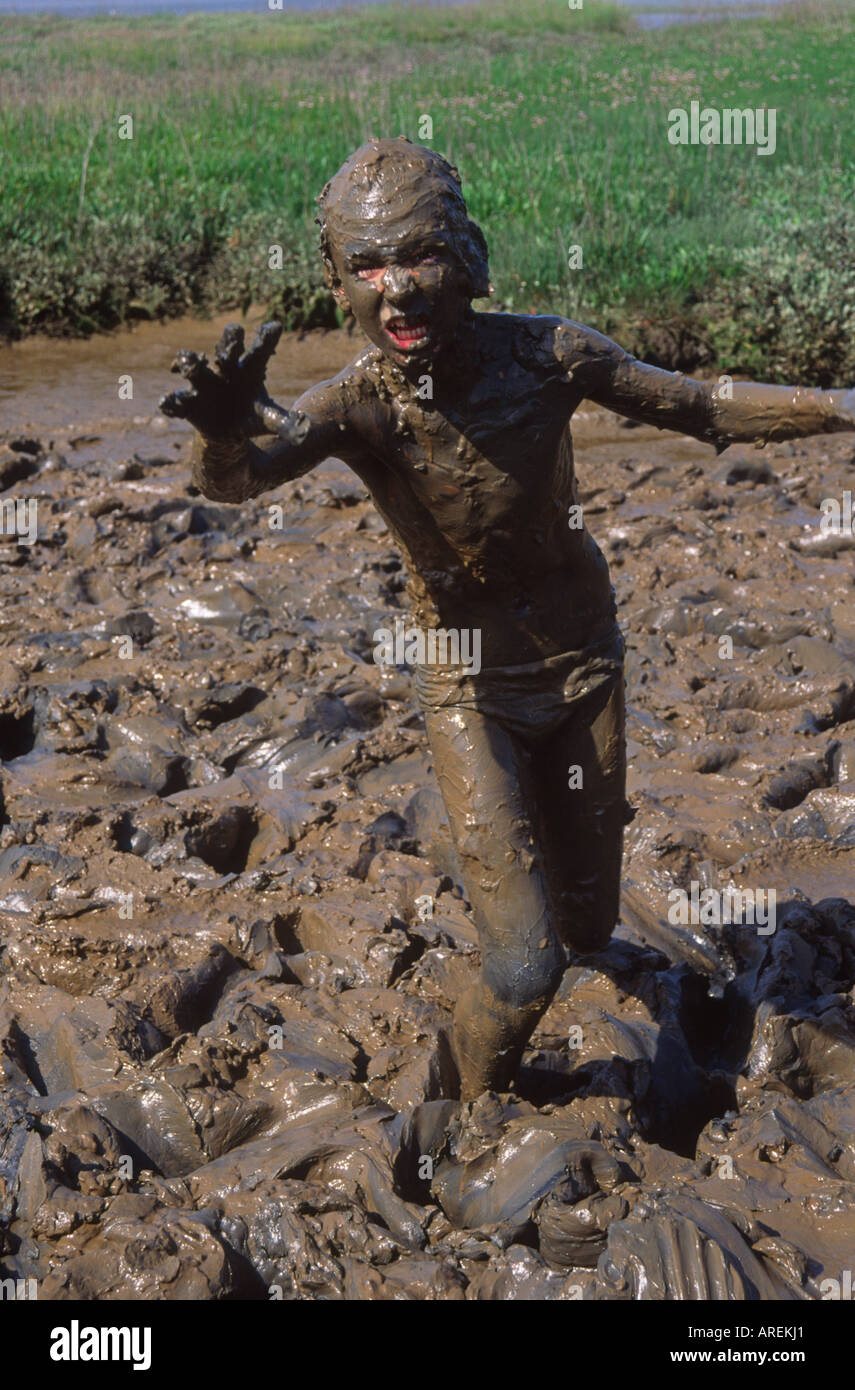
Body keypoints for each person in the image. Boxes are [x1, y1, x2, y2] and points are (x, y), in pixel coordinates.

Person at [160, 137, 855, 1100]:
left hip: (585, 671)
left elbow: (704, 407)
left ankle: (489, 848)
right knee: (526, 967)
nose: (395, 289)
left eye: (419, 255)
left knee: (585, 930)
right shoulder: (357, 405)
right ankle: (459, 1106)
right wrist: (222, 430)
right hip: (469, 687)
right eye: (365, 266)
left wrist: (838, 404)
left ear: (469, 259)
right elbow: (239, 483)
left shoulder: (549, 355)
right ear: (336, 283)